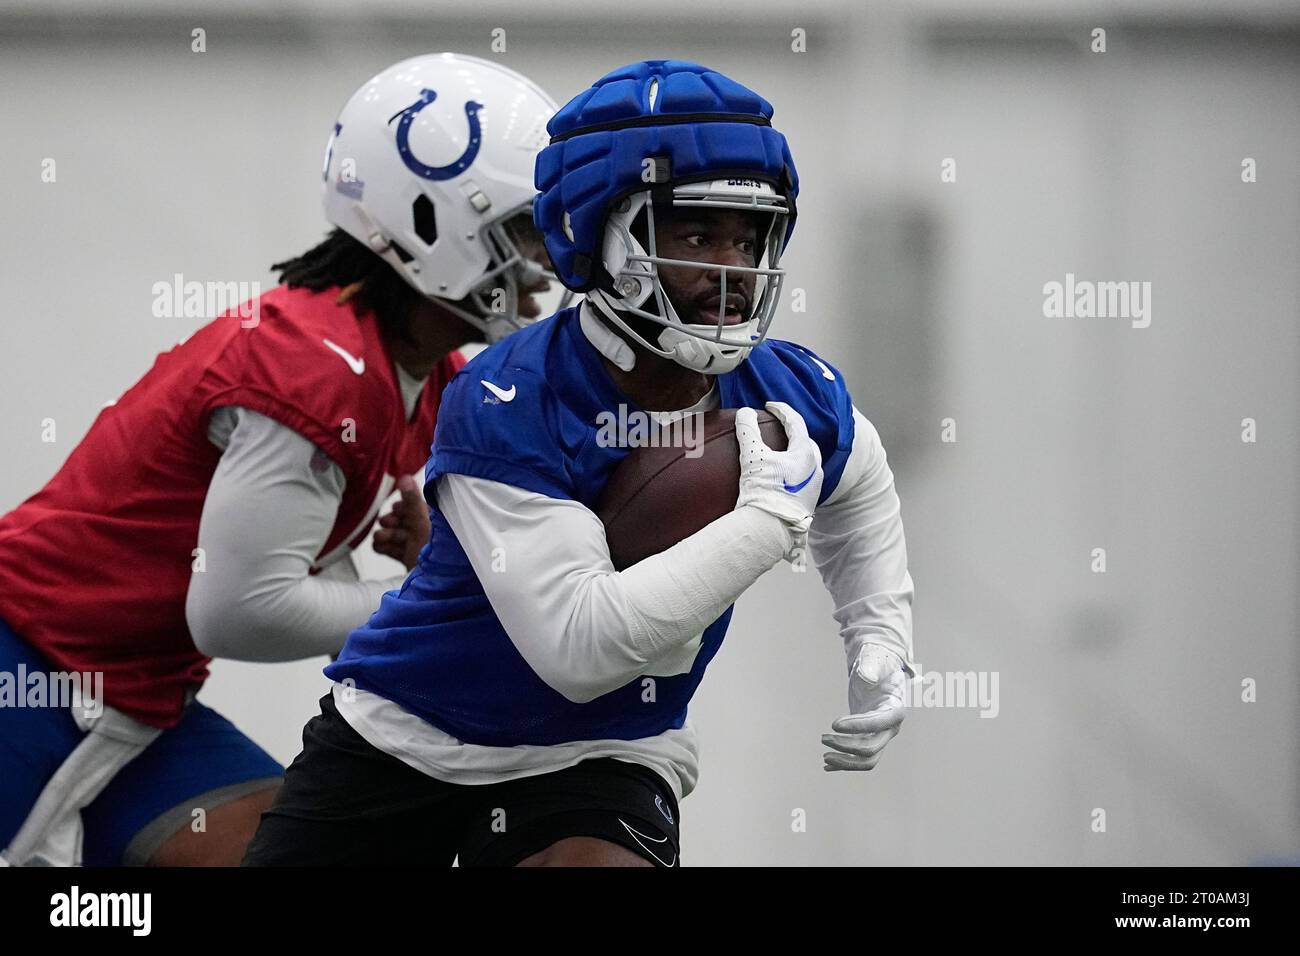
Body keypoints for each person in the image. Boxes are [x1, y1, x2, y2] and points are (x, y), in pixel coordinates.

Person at [243, 58, 915, 869]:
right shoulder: (510, 393)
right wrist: (768, 522)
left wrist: (878, 636)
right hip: (409, 737)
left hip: (604, 750)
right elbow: (581, 649)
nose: (732, 269)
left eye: (751, 236)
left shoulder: (788, 387)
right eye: (699, 233)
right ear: (602, 232)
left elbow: (861, 481)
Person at [0, 53, 559, 867]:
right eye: (523, 231)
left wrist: (424, 567)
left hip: (136, 696)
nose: (546, 263)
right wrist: (419, 599)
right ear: (432, 222)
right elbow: (239, 609)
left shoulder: (424, 371)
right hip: (31, 668)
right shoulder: (317, 363)